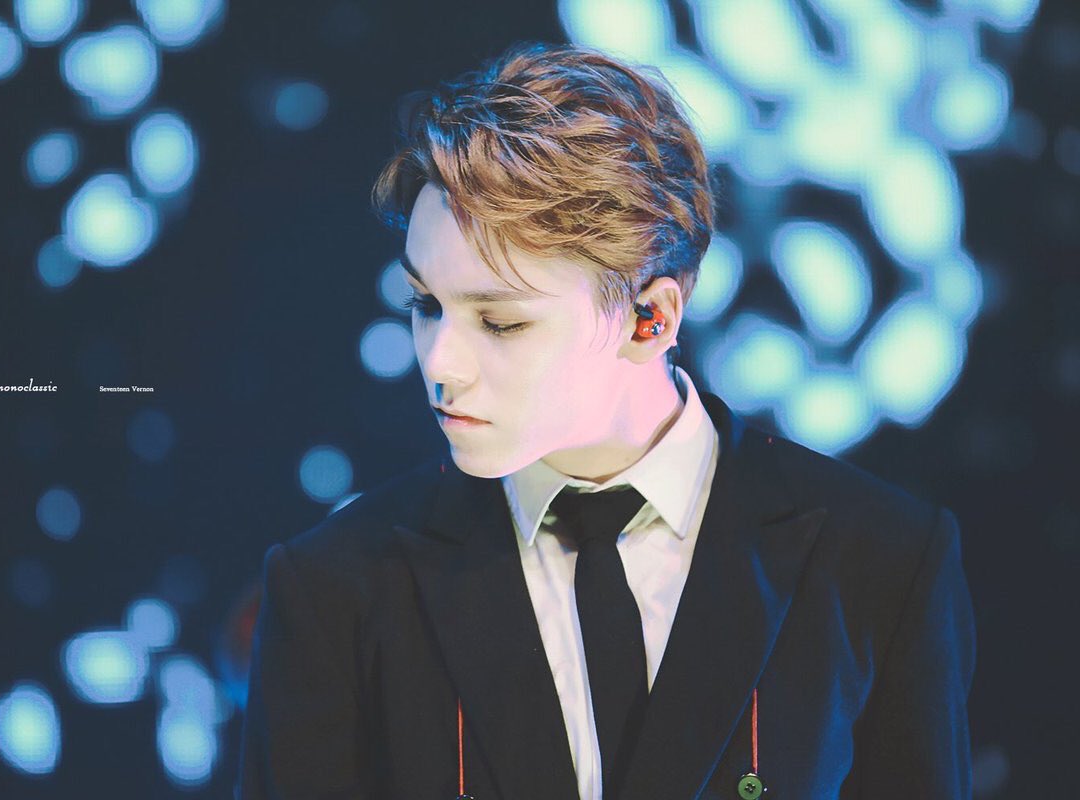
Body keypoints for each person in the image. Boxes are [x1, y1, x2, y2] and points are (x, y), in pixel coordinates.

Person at [237, 41, 976, 800]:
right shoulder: (335, 590)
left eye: (500, 321)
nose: (440, 363)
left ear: (650, 319)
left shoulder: (880, 562)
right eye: (426, 304)